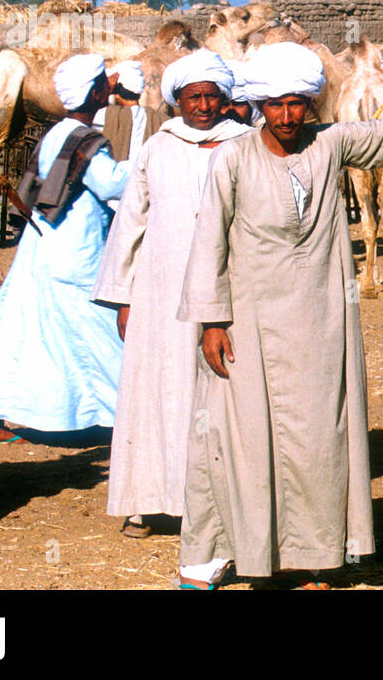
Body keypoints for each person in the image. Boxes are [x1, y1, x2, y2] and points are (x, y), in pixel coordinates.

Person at [174, 43, 383, 590]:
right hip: (248, 327)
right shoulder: (232, 159)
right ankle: (251, 556)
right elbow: (208, 240)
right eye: (276, 105)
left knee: (318, 441)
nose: (286, 117)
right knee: (243, 442)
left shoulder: (330, 144)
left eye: (297, 104)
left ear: (311, 103)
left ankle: (314, 558)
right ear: (259, 104)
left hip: (321, 323)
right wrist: (211, 321)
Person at [93, 50, 252, 539]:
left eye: (211, 96)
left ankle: (224, 507)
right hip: (161, 294)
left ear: (225, 99)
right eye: (193, 97)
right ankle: (147, 500)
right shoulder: (156, 149)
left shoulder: (246, 145)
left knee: (225, 392)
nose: (203, 106)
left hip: (231, 291)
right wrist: (124, 296)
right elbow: (131, 224)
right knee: (157, 392)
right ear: (176, 100)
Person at [0, 54, 130, 442]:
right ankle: (131, 415)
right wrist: (152, 162)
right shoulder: (85, 140)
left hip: (43, 243)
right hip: (73, 249)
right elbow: (112, 184)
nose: (110, 84)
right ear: (94, 91)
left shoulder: (57, 133)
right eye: (104, 81)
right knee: (100, 332)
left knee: (22, 332)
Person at [94, 60, 164, 166]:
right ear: (139, 94)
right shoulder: (161, 120)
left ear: (115, 94)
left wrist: (107, 90)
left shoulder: (104, 115)